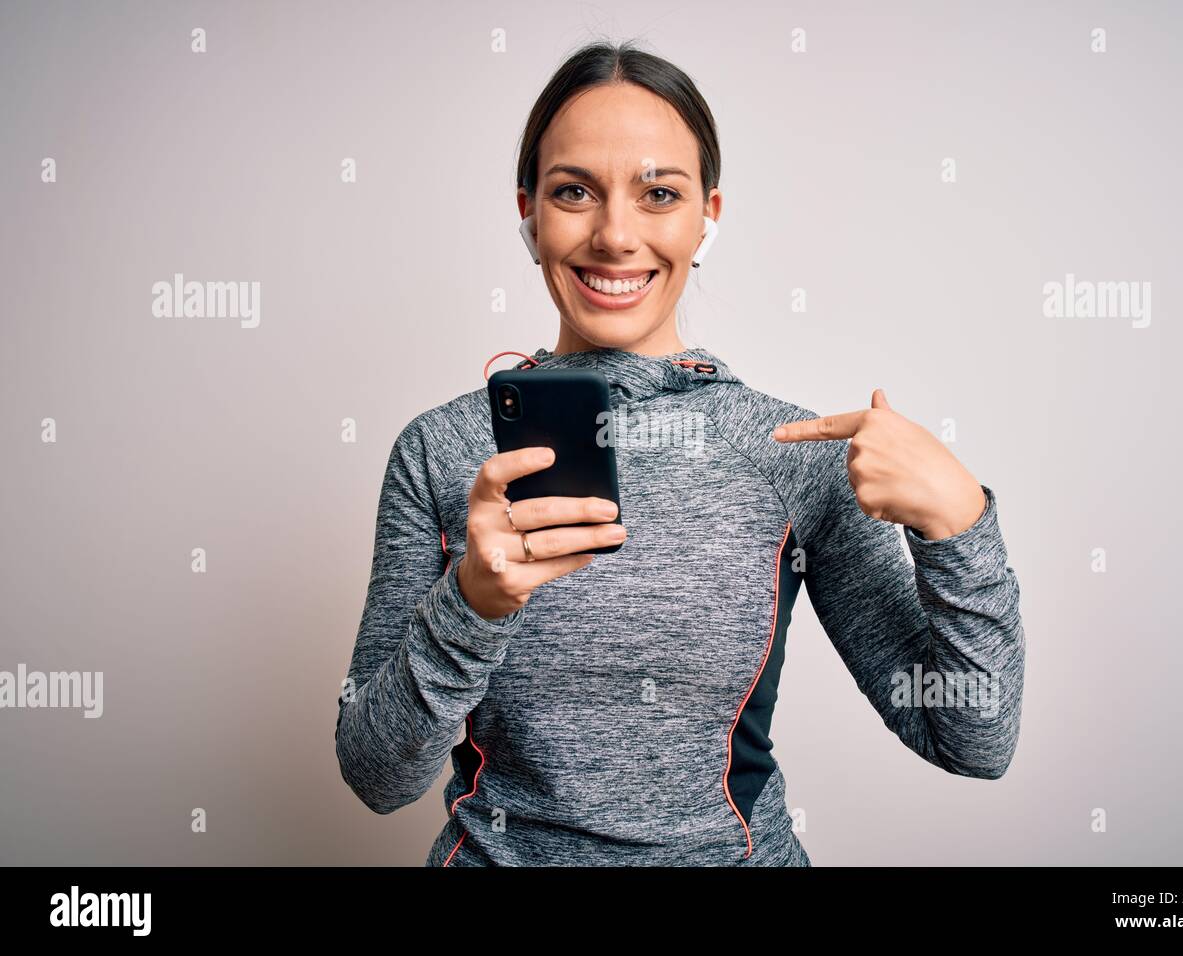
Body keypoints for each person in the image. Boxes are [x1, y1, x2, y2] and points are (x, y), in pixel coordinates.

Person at [335, 40, 1025, 867]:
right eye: (573, 192)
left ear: (707, 217)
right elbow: (376, 776)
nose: (615, 235)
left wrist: (960, 528)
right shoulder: (442, 451)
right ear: (529, 213)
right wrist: (470, 604)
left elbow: (971, 739)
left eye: (658, 194)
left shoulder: (792, 455)